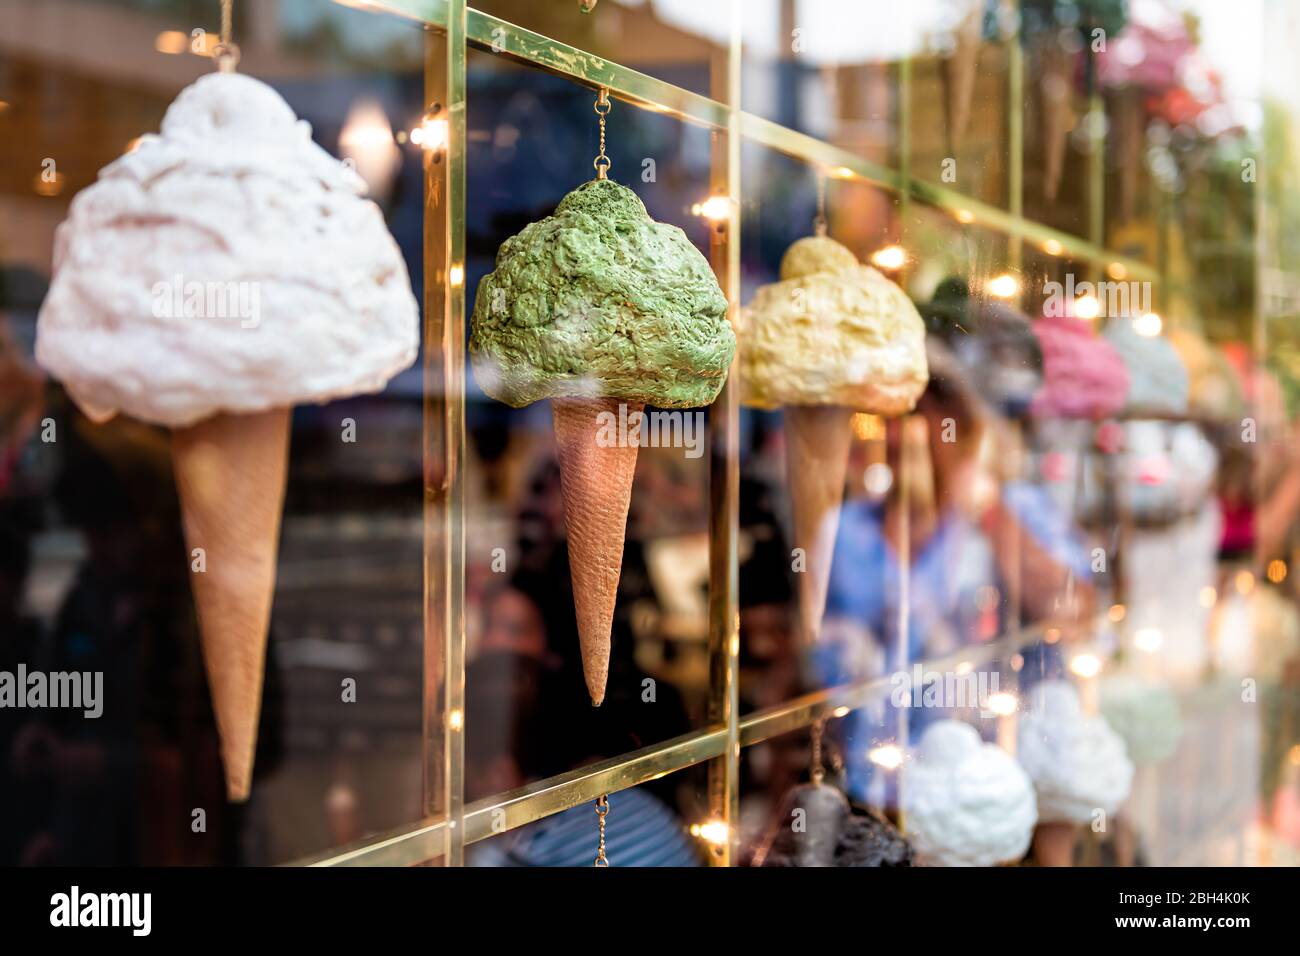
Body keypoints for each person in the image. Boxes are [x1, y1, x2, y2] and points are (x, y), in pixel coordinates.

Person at [813, 340, 1096, 805]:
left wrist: (985, 507)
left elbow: (1073, 613)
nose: (906, 435)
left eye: (927, 416)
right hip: (873, 786)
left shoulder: (1014, 511)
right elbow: (821, 657)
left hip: (989, 787)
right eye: (893, 418)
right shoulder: (845, 529)